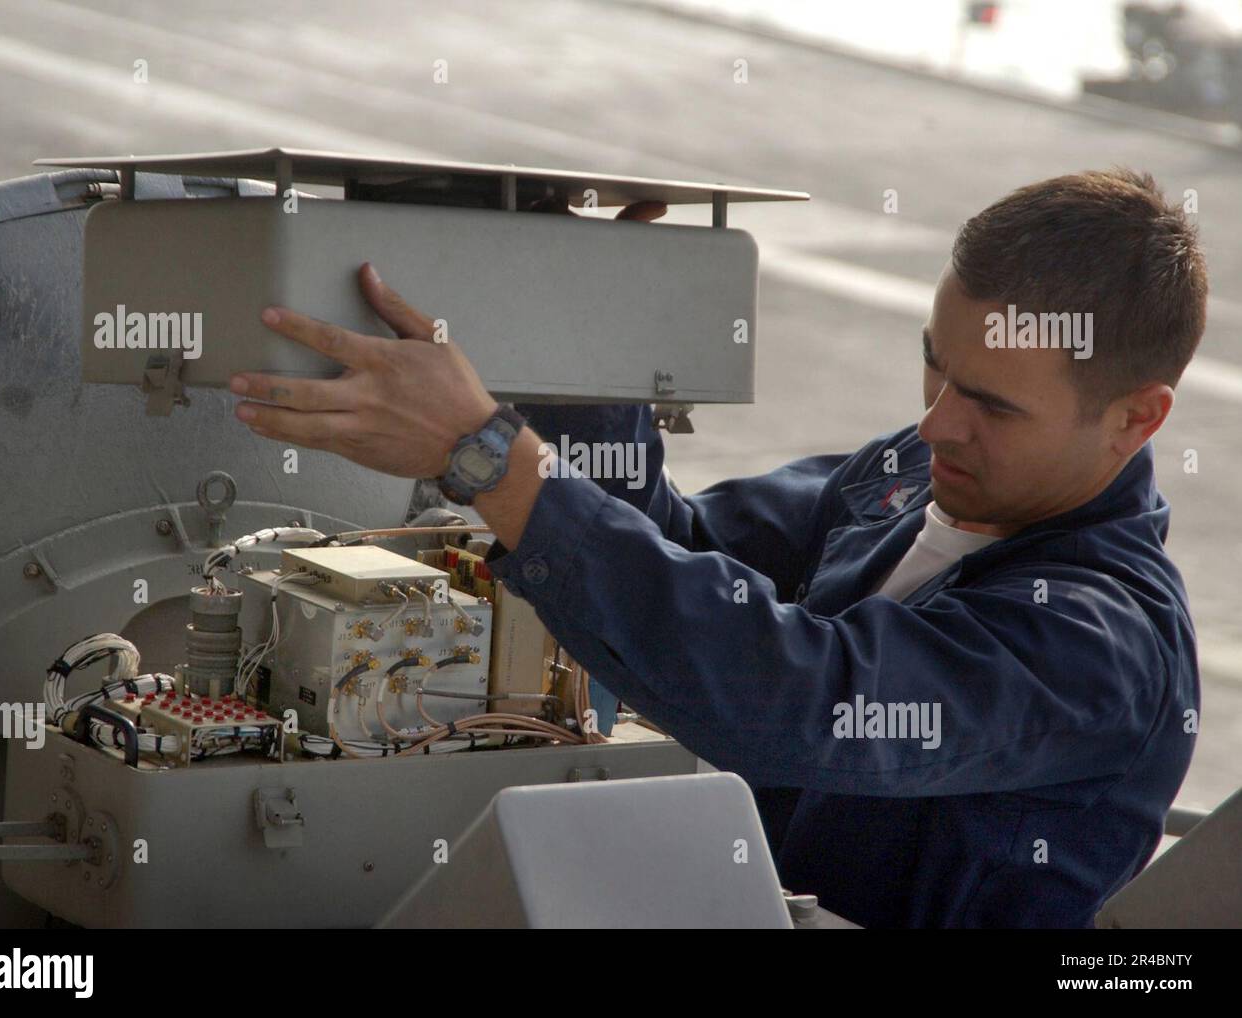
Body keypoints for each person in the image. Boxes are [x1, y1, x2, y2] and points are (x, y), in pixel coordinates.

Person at [229, 168, 1205, 928]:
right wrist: (591, 350)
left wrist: (486, 456)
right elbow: (689, 554)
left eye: (992, 403)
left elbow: (798, 697)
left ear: (1134, 419)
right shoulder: (917, 472)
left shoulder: (1098, 645)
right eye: (934, 364)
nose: (937, 421)